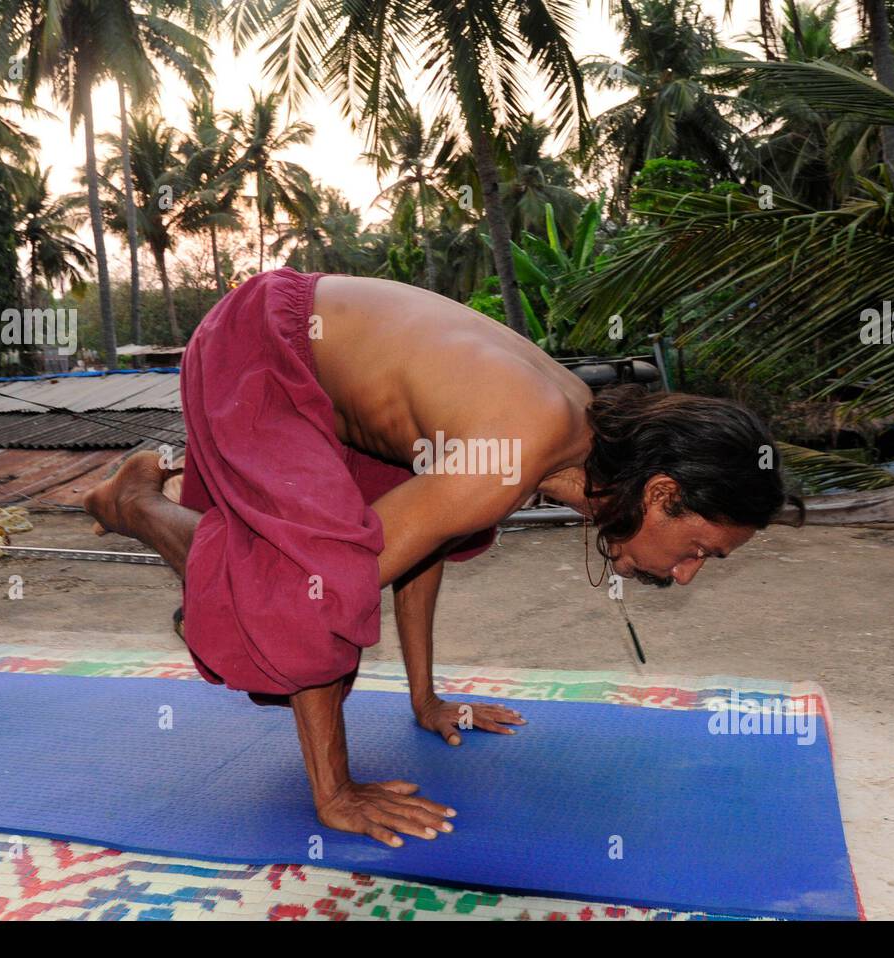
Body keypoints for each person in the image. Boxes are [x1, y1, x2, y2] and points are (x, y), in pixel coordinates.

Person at [85, 268, 795, 847]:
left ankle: (210, 563)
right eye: (699, 549)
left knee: (339, 564)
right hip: (264, 343)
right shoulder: (518, 449)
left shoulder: (565, 440)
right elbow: (329, 591)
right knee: (290, 608)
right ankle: (137, 502)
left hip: (331, 368)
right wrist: (336, 791)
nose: (685, 572)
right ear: (663, 493)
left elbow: (421, 543)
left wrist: (427, 700)